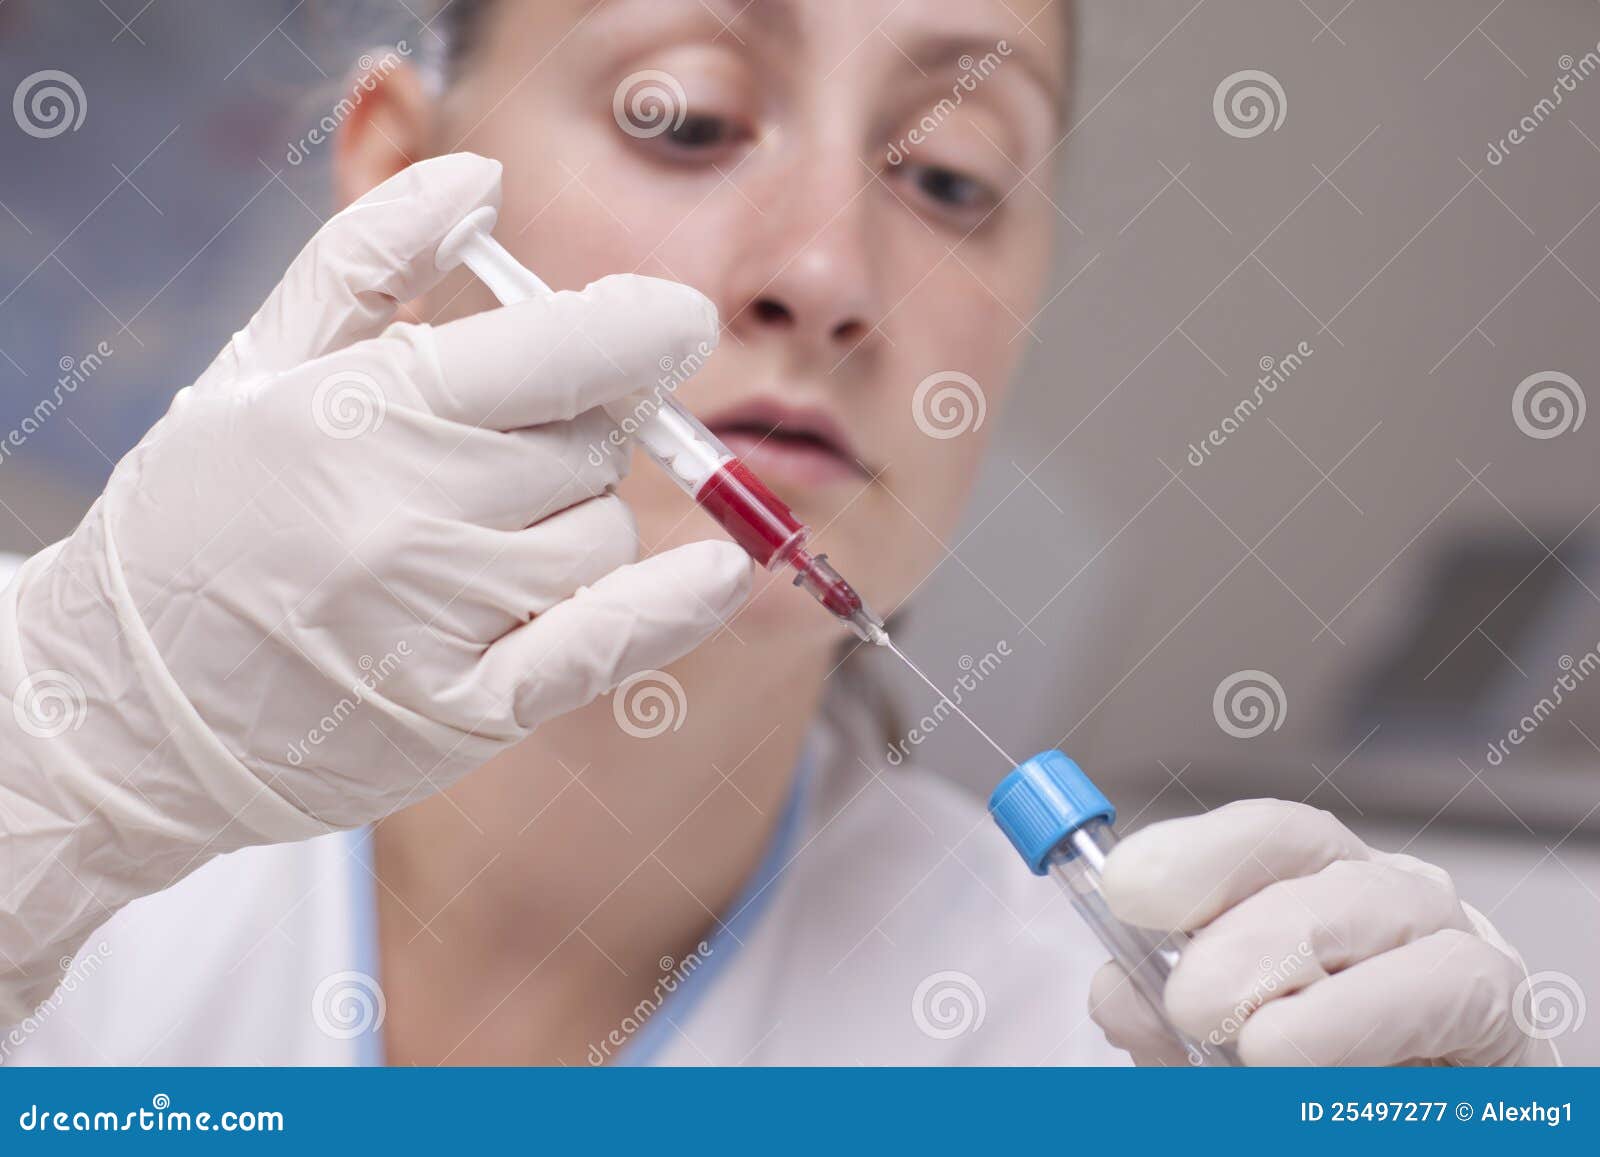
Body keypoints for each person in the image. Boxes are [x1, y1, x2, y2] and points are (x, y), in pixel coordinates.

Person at [0, 0, 1549, 1066]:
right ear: (401, 187)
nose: (825, 269)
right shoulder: (71, 786)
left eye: (951, 174)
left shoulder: (1080, 1040)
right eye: (688, 116)